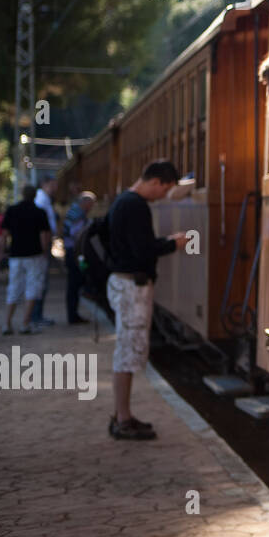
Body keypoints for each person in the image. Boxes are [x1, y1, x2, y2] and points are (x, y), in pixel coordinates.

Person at [106, 161, 189, 440]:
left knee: (127, 352)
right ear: (156, 182)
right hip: (132, 285)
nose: (164, 196)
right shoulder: (136, 205)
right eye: (165, 189)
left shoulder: (123, 201)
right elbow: (143, 249)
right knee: (128, 354)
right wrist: (172, 244)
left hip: (124, 282)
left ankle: (122, 415)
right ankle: (123, 419)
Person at [0, 185, 52, 336]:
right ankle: (25, 323)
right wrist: (43, 251)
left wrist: (1, 251)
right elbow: (44, 236)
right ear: (34, 196)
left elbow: (4, 234)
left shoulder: (12, 210)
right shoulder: (39, 212)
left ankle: (7, 323)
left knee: (14, 287)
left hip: (16, 255)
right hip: (34, 255)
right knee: (32, 288)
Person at [62, 190, 97, 325]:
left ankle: (73, 314)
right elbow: (76, 234)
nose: (92, 207)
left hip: (72, 252)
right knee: (75, 283)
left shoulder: (74, 211)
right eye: (91, 204)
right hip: (75, 253)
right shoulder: (79, 214)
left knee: (75, 283)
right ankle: (73, 315)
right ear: (86, 203)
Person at [30, 176, 58, 327]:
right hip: (42, 248)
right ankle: (36, 316)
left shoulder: (45, 199)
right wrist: (44, 248)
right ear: (44, 183)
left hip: (43, 247)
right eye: (54, 184)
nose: (56, 188)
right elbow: (43, 229)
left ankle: (37, 315)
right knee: (39, 283)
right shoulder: (41, 200)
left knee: (40, 283)